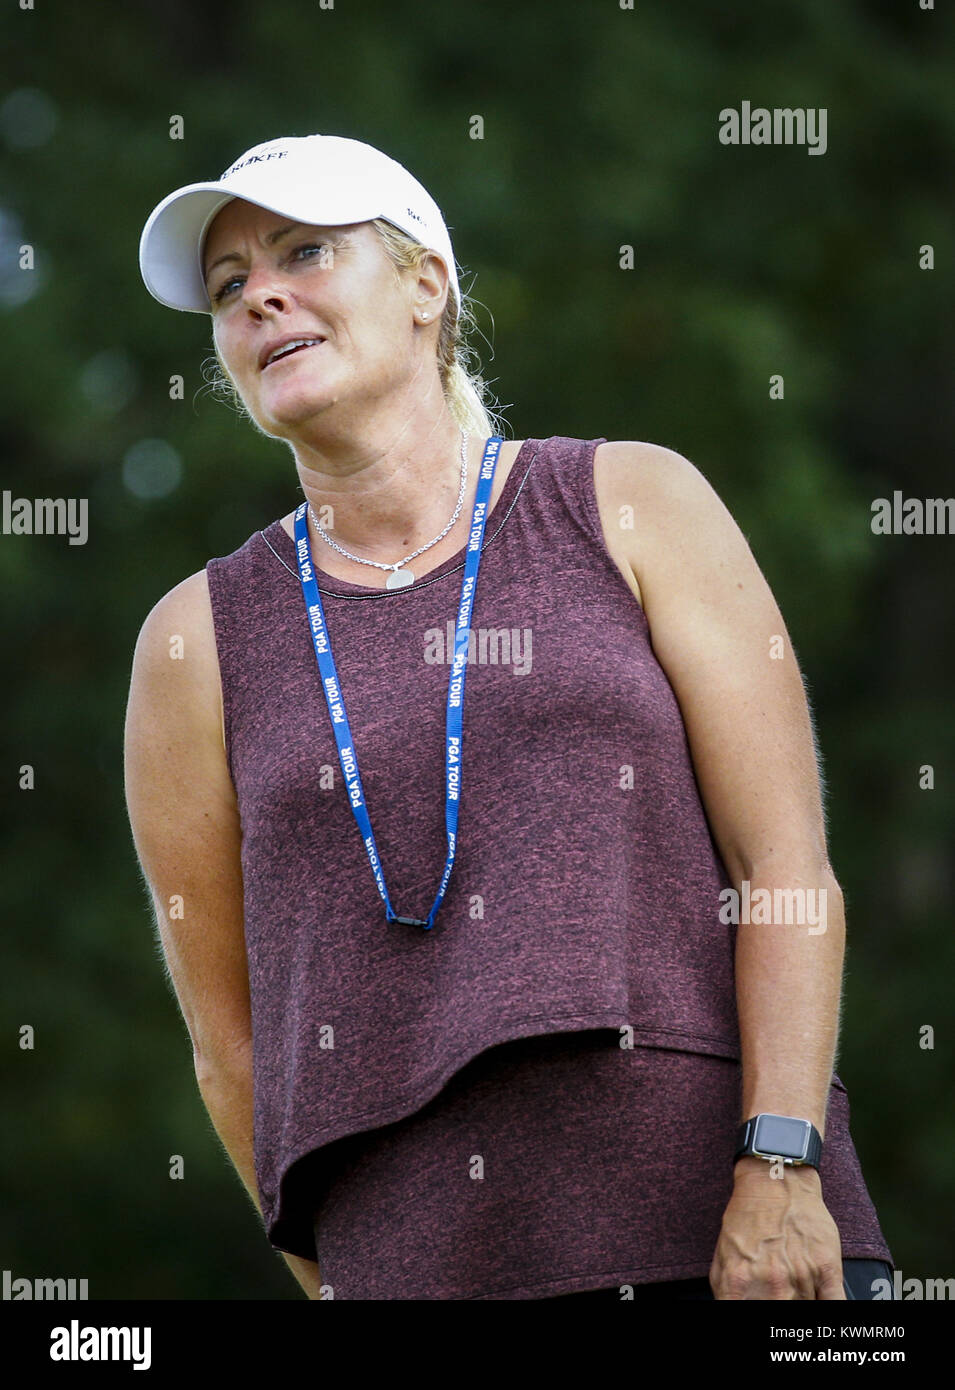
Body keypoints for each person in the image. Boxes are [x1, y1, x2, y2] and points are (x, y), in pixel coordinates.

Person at [126, 133, 895, 1301]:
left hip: (733, 1237)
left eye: (305, 252)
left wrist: (781, 1165)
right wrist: (336, 1278)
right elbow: (229, 1044)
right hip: (418, 1268)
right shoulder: (197, 642)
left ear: (427, 283)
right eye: (231, 288)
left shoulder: (629, 501)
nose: (261, 294)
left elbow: (783, 864)